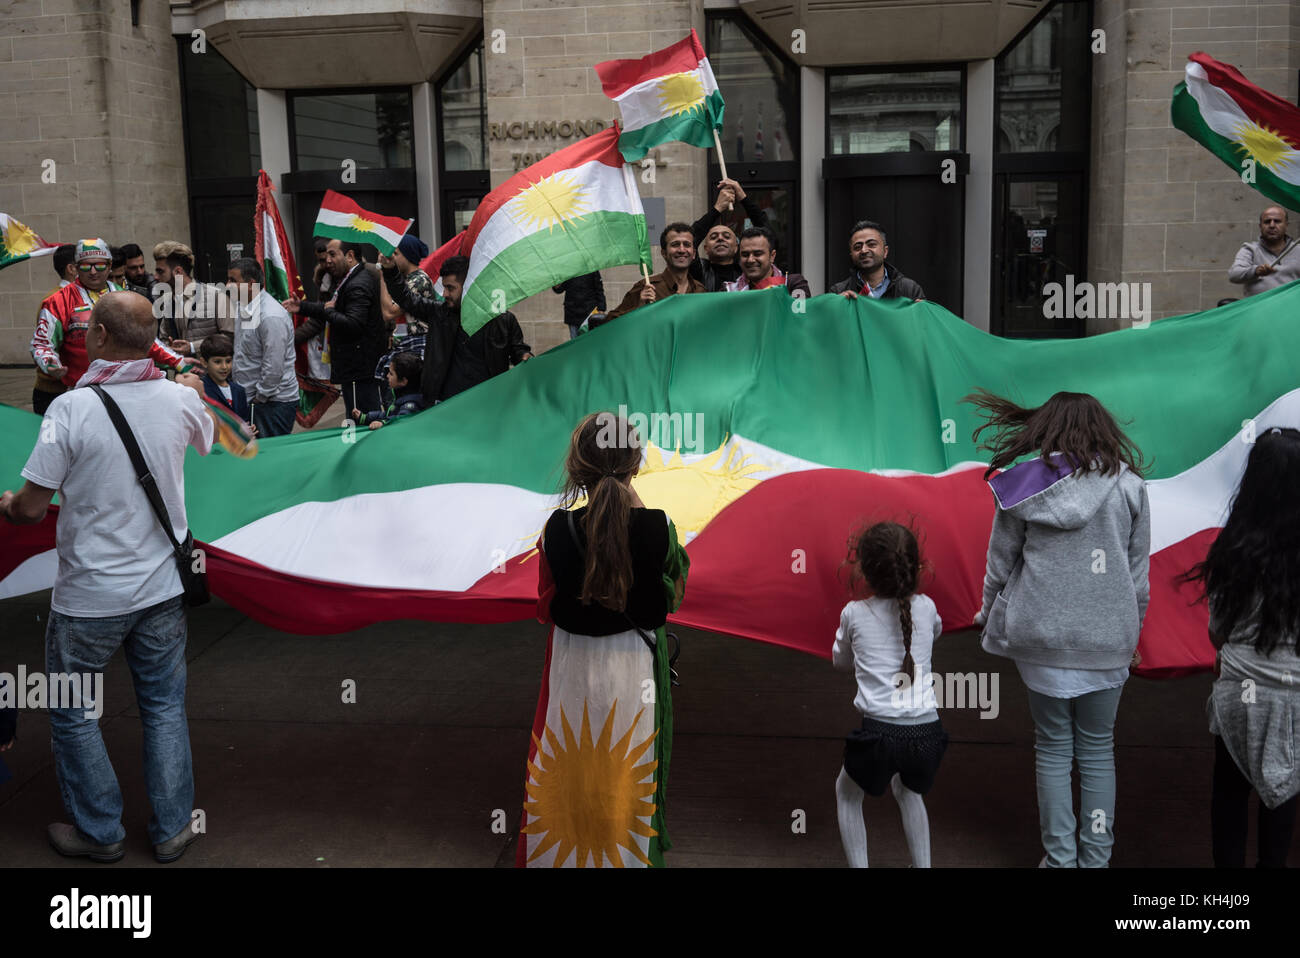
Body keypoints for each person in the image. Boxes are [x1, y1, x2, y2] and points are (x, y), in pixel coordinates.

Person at [0, 291, 214, 864]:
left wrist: (7, 503)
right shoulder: (181, 401)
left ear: (95, 336)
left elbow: (28, 508)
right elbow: (218, 440)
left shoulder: (70, 410)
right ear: (153, 341)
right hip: (164, 590)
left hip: (89, 598)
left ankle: (100, 832)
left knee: (73, 713)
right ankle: (172, 830)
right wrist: (192, 390)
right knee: (165, 707)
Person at [968, 389, 1149, 868]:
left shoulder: (1025, 487)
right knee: (1096, 751)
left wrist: (988, 614)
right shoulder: (1129, 487)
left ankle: (1059, 859)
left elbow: (999, 565)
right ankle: (1096, 859)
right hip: (1108, 640)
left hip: (1039, 636)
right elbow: (1137, 577)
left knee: (1051, 748)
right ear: (1103, 431)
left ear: (1047, 431)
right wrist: (1133, 633)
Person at [518, 412, 689, 867]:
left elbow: (544, 603)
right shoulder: (658, 527)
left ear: (577, 469)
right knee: (629, 769)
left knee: (570, 764)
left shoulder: (556, 529)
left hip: (573, 666)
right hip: (635, 669)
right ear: (635, 468)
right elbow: (674, 587)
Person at [1182, 427, 1300, 868]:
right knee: (1284, 794)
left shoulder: (1233, 549)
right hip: (1295, 700)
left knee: (1229, 795)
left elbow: (1218, 631)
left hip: (1240, 696)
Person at [832, 522, 946, 868]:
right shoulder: (925, 607)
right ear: (917, 567)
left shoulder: (854, 613)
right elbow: (935, 633)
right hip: (928, 733)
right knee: (909, 791)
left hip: (879, 735)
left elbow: (840, 661)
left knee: (847, 795)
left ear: (863, 570)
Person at [380, 254, 532, 404]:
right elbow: (406, 298)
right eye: (444, 287)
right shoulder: (439, 314)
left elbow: (520, 352)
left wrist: (526, 357)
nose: (444, 294)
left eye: (450, 288)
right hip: (446, 407)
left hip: (489, 405)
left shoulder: (503, 320)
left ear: (469, 286)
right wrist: (390, 269)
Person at [287, 238, 388, 416]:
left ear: (349, 256)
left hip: (359, 369)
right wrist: (302, 307)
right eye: (326, 255)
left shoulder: (358, 283)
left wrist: (330, 313)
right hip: (355, 367)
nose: (328, 260)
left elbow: (353, 323)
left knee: (362, 420)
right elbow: (332, 307)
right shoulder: (348, 278)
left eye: (333, 254)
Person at [226, 257, 298, 438]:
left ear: (251, 284)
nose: (227, 286)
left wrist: (260, 397)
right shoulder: (244, 307)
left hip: (271, 404)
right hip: (253, 400)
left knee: (269, 457)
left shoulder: (270, 316)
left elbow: (273, 367)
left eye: (233, 281)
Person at [601, 223, 705, 323]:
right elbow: (610, 323)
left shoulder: (700, 290)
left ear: (694, 254)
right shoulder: (646, 286)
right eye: (675, 244)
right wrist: (639, 308)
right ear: (664, 253)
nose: (682, 250)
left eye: (687, 245)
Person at [153, 241, 235, 357]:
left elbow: (228, 338)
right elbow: (164, 337)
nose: (155, 276)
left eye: (160, 271)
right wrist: (170, 348)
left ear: (178, 271)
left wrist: (192, 347)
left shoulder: (217, 296)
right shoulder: (167, 300)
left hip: (211, 373)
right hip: (182, 372)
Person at [690, 177, 770, 292]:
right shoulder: (700, 270)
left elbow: (767, 236)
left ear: (736, 247)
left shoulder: (747, 268)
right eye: (713, 237)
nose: (720, 238)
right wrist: (717, 208)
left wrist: (743, 197)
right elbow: (689, 239)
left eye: (727, 236)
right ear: (706, 249)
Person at [30, 243, 77, 414]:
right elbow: (43, 344)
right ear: (72, 268)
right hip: (53, 391)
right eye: (85, 264)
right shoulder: (54, 300)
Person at [830, 220, 927, 301]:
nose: (864, 250)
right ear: (851, 255)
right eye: (857, 247)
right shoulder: (838, 291)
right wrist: (836, 308)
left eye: (871, 244)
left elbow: (923, 322)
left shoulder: (909, 290)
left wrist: (922, 313)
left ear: (885, 251)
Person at [1228, 206, 1300, 297]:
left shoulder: (1298, 250)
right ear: (1260, 226)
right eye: (1267, 222)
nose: (1272, 225)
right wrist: (1256, 271)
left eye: (1277, 221)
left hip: (1292, 307)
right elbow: (1234, 275)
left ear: (1286, 225)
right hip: (1260, 308)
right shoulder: (1250, 249)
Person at [723, 226, 811, 296]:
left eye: (757, 254)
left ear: (772, 256)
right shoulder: (728, 290)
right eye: (745, 255)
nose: (750, 260)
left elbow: (800, 314)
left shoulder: (793, 284)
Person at [352, 351, 427, 429]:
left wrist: (383, 423)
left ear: (403, 381)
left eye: (391, 373)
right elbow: (390, 414)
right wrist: (365, 417)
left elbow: (400, 421)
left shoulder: (411, 404)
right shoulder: (402, 395)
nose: (387, 376)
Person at [199, 332, 251, 422]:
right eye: (217, 362)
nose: (224, 367)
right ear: (204, 362)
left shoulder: (239, 391)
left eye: (228, 361)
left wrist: (247, 429)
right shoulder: (201, 389)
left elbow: (244, 420)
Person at [553, 271, 606, 339]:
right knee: (574, 342)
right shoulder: (567, 270)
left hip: (589, 313)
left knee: (589, 340)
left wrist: (601, 309)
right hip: (572, 312)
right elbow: (559, 289)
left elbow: (599, 290)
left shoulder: (591, 269)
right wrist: (556, 284)